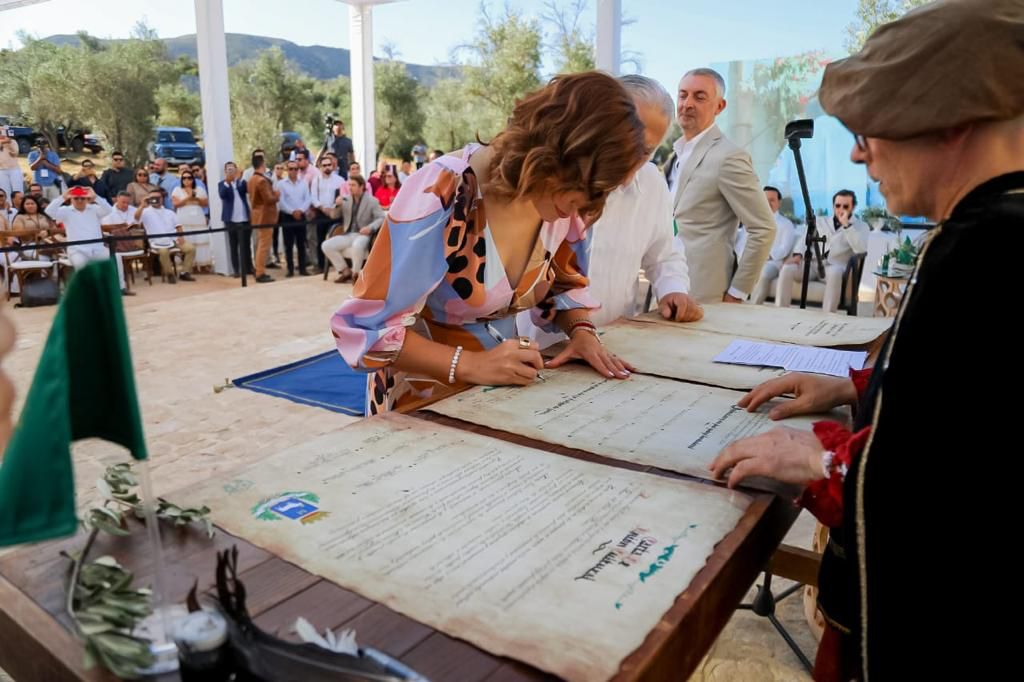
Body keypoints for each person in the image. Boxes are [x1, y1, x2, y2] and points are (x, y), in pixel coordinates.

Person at [709, 1, 1024, 678]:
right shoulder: (985, 226)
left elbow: (956, 495)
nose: (858, 152)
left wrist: (829, 463)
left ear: (949, 120)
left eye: (870, 128)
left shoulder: (994, 246)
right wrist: (857, 387)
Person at [331, 71, 647, 415]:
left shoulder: (560, 204)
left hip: (500, 398)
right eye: (588, 188)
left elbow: (564, 285)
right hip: (419, 407)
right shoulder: (443, 193)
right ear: (557, 154)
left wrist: (582, 332)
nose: (586, 205)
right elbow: (363, 330)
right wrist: (470, 365)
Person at [666, 68, 775, 302]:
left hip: (705, 294)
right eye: (683, 95)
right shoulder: (675, 156)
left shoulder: (729, 157)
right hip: (667, 288)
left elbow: (763, 228)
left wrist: (737, 293)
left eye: (699, 96)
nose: (687, 103)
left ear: (720, 106)